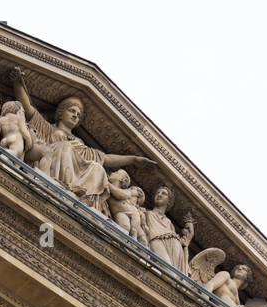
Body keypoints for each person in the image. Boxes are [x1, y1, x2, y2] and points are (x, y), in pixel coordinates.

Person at [10, 68, 157, 216]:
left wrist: (133, 159)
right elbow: (28, 109)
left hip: (78, 180)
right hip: (50, 167)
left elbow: (105, 159)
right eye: (72, 111)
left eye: (78, 115)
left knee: (97, 167)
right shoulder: (48, 128)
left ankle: (85, 200)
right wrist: (17, 82)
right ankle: (65, 187)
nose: (75, 116)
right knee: (65, 146)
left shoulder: (80, 145)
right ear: (61, 113)